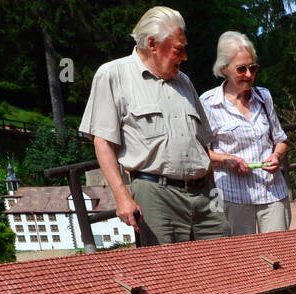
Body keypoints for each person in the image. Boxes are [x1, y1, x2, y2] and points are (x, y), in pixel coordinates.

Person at [79, 6, 243, 246]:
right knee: (167, 275)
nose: (185, 56)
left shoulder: (184, 82)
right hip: (156, 195)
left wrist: (215, 195)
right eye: (179, 49)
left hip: (205, 193)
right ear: (152, 44)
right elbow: (102, 142)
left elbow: (202, 145)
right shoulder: (112, 75)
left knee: (223, 264)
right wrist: (122, 198)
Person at [199, 31, 291, 236]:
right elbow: (199, 152)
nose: (248, 74)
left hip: (272, 192)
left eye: (253, 68)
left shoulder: (264, 96)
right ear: (224, 68)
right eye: (241, 69)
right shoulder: (208, 103)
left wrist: (276, 156)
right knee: (243, 261)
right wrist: (227, 159)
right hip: (233, 196)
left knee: (281, 254)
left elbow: (281, 140)